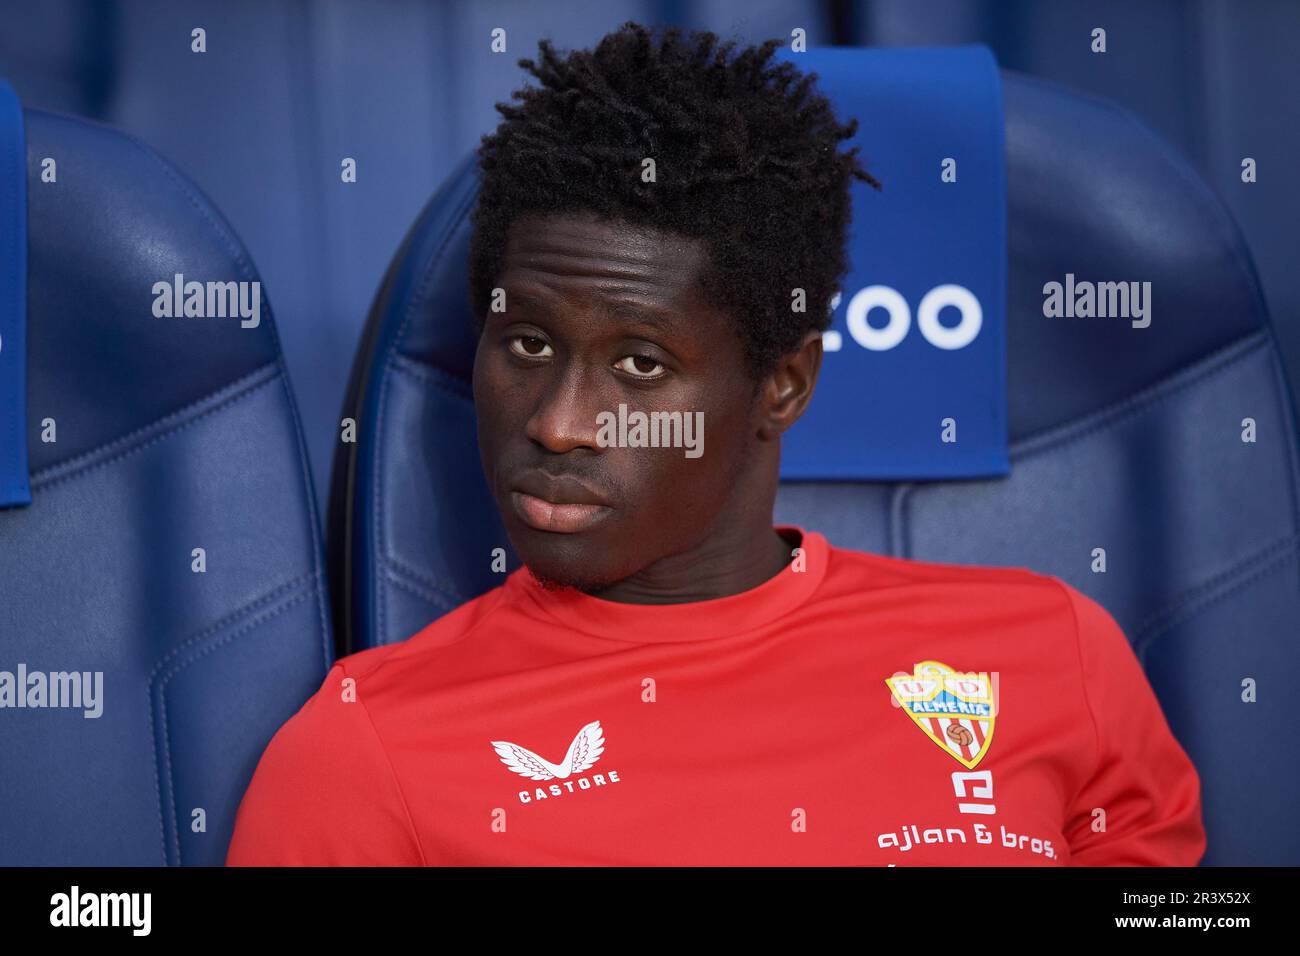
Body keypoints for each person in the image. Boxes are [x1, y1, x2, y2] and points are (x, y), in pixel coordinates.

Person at [226, 21, 1204, 866]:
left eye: (640, 364)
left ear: (783, 383)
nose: (558, 421)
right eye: (526, 342)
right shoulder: (362, 749)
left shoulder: (1048, 652)